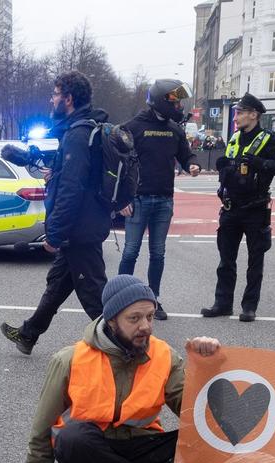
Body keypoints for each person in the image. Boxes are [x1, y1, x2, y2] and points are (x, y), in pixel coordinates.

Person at [16, 275, 221, 463]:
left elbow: (196, 414)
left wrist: (206, 370)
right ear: (112, 320)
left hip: (139, 446)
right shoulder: (70, 358)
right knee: (72, 437)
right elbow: (44, 420)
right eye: (134, 318)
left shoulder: (164, 356)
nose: (145, 326)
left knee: (208, 441)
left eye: (149, 316)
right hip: (88, 458)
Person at [0, 70, 111, 355]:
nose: (52, 101)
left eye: (55, 95)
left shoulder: (77, 134)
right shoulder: (84, 129)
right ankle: (28, 333)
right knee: (57, 285)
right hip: (84, 224)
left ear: (69, 99)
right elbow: (76, 178)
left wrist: (55, 234)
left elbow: (72, 190)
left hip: (79, 231)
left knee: (95, 297)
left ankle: (125, 350)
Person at [202, 94, 275, 323]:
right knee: (226, 260)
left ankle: (249, 307)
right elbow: (233, 165)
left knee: (255, 261)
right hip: (231, 207)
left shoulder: (270, 139)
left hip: (255, 208)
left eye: (241, 112)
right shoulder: (234, 138)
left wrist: (260, 163)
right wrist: (223, 165)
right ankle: (222, 303)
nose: (237, 116)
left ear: (254, 114)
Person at [118, 79, 200, 320]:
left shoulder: (174, 129)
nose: (178, 106)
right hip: (138, 200)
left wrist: (192, 164)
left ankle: (152, 300)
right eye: (175, 101)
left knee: (158, 253)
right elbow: (119, 164)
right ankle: (121, 298)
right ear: (160, 100)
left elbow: (185, 155)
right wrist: (122, 199)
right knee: (130, 252)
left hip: (164, 200)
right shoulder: (133, 127)